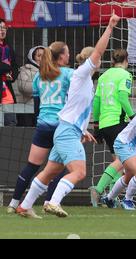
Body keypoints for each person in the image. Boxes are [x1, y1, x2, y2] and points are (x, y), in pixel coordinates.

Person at [16, 12, 121, 218]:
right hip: (66, 131)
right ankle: (53, 202)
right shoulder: (82, 73)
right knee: (79, 172)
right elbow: (99, 51)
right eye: (67, 52)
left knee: (49, 172)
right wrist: (109, 27)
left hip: (67, 129)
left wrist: (82, 130)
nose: (99, 60)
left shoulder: (84, 79)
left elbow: (76, 110)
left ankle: (24, 206)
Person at [6, 42, 72, 215]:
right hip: (60, 126)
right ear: (61, 56)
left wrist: (40, 122)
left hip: (43, 125)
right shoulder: (66, 73)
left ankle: (13, 203)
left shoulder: (38, 77)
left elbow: (37, 106)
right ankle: (49, 202)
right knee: (60, 167)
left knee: (32, 166)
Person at [89, 49, 135, 207]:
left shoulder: (103, 76)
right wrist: (134, 117)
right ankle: (99, 188)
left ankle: (111, 198)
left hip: (104, 124)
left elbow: (96, 102)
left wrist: (96, 125)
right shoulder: (125, 75)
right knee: (122, 161)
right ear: (126, 60)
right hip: (118, 123)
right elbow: (122, 97)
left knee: (117, 160)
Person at [14, 45, 45, 127]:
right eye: (39, 56)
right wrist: (44, 87)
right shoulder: (25, 70)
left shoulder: (51, 71)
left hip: (44, 110)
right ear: (32, 57)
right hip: (27, 109)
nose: (42, 58)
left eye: (44, 56)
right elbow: (25, 88)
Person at [0, 18, 19, 126]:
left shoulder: (9, 47)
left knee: (11, 123)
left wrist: (12, 76)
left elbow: (15, 66)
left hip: (6, 88)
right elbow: (8, 66)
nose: (2, 31)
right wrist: (8, 67)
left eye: (4, 28)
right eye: (0, 28)